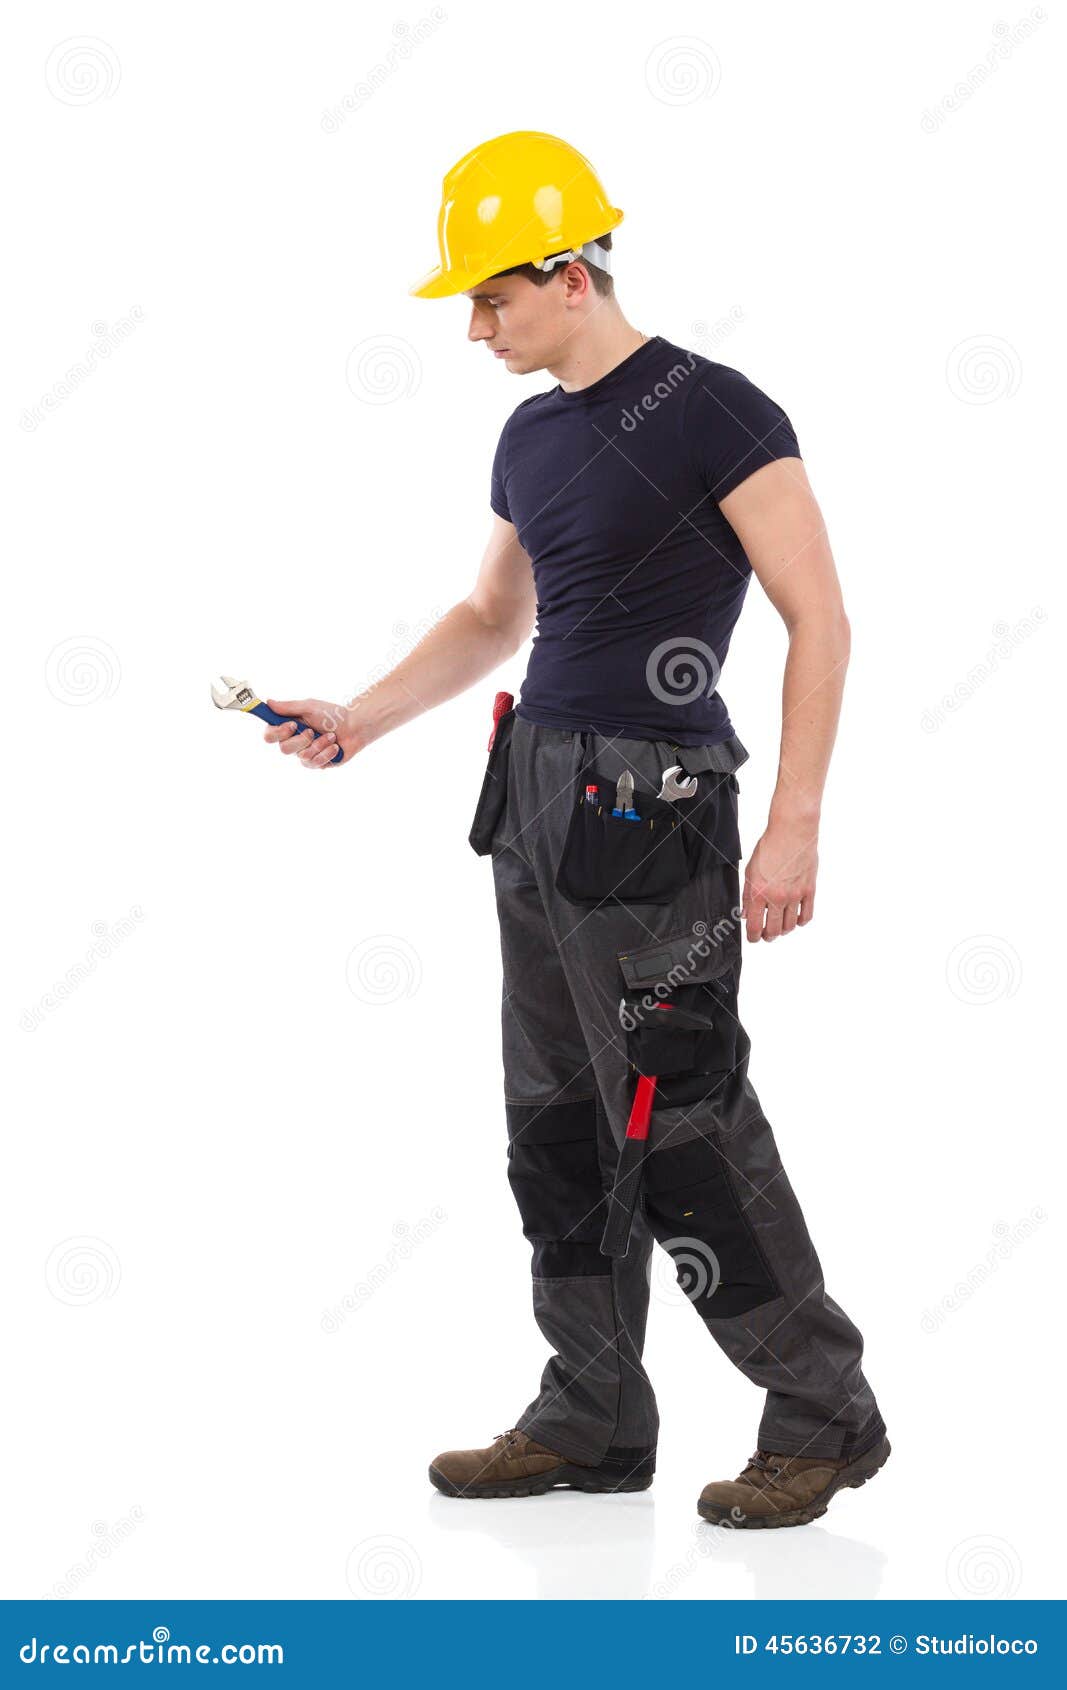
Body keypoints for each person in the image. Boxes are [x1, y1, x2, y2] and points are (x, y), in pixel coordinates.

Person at [263, 131, 889, 1528]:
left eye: (490, 298)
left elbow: (822, 619)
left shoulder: (714, 410)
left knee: (683, 1118)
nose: (474, 329)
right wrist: (358, 714)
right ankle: (592, 1409)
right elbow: (498, 615)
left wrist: (794, 822)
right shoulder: (531, 431)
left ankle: (824, 1407)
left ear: (568, 271)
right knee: (555, 1121)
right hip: (537, 793)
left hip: (657, 808)